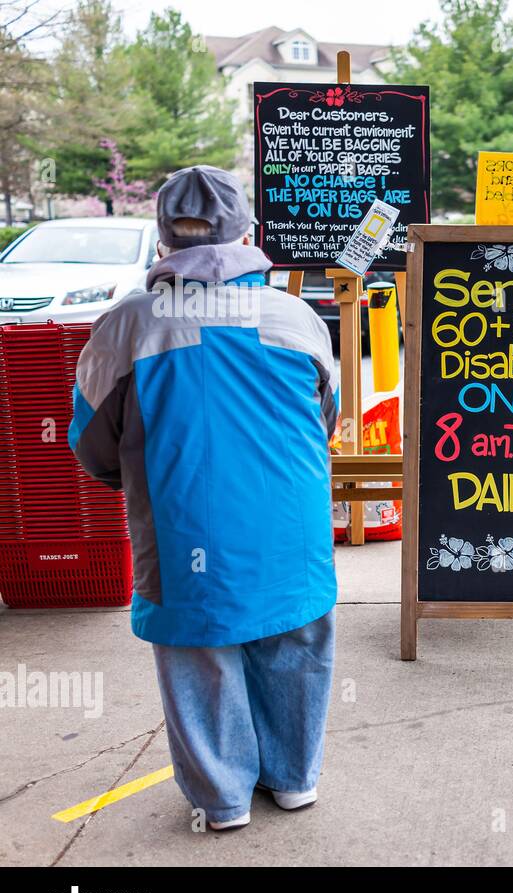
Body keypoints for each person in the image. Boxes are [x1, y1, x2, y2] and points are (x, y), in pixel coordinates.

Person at [69, 166, 339, 831]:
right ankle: (295, 778)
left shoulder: (128, 325)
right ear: (247, 231)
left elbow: (92, 440)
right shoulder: (296, 317)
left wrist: (135, 479)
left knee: (201, 650)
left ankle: (221, 800)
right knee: (293, 638)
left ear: (163, 237)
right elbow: (324, 418)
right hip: (291, 524)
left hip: (184, 524)